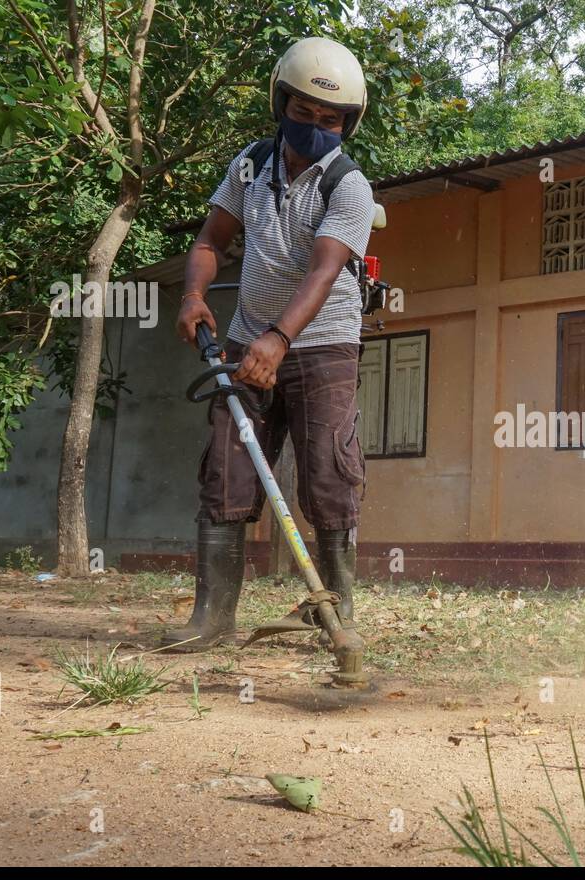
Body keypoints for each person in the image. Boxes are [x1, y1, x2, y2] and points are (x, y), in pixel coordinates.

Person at [161, 37, 375, 657]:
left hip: (323, 345)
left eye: (330, 118)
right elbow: (211, 238)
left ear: (347, 123)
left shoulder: (349, 186)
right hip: (244, 338)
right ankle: (212, 617)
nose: (315, 126)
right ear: (281, 103)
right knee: (226, 470)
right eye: (304, 112)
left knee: (330, 474)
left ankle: (337, 615)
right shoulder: (250, 164)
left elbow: (324, 272)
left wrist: (280, 339)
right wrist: (194, 295)